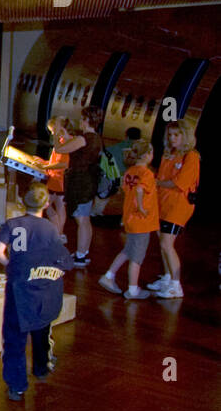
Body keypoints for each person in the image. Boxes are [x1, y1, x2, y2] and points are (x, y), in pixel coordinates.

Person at [0, 184, 74, 401]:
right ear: (46, 204)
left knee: (13, 338)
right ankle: (41, 368)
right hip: (42, 288)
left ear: (22, 201)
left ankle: (17, 386)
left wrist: (10, 265)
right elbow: (62, 258)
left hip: (18, 288)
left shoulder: (12, 224)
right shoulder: (50, 228)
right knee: (41, 328)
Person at [98, 139, 159, 299]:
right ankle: (133, 289)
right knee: (137, 257)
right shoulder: (147, 174)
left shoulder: (130, 171)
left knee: (127, 251)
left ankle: (109, 276)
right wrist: (141, 207)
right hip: (141, 221)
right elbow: (139, 189)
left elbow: (125, 190)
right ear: (147, 155)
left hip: (129, 218)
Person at [147, 122, 200, 299]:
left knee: (166, 244)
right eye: (170, 135)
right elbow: (162, 177)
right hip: (162, 204)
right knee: (163, 244)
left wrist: (156, 183)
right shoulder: (169, 154)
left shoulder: (191, 157)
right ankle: (168, 277)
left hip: (177, 207)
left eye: (176, 135)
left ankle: (176, 285)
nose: (172, 139)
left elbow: (179, 184)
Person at [49, 106, 104, 267]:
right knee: (85, 219)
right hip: (89, 181)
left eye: (82, 119)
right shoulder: (95, 138)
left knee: (81, 219)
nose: (80, 121)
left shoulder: (84, 138)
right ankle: (83, 253)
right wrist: (66, 137)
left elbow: (60, 148)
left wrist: (56, 134)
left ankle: (80, 256)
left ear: (87, 121)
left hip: (81, 183)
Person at [42, 116, 70, 238]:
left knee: (46, 204)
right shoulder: (65, 141)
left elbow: (63, 163)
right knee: (60, 205)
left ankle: (57, 231)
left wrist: (46, 166)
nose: (52, 133)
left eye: (52, 130)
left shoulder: (63, 143)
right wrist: (46, 163)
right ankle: (60, 232)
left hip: (57, 180)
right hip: (60, 179)